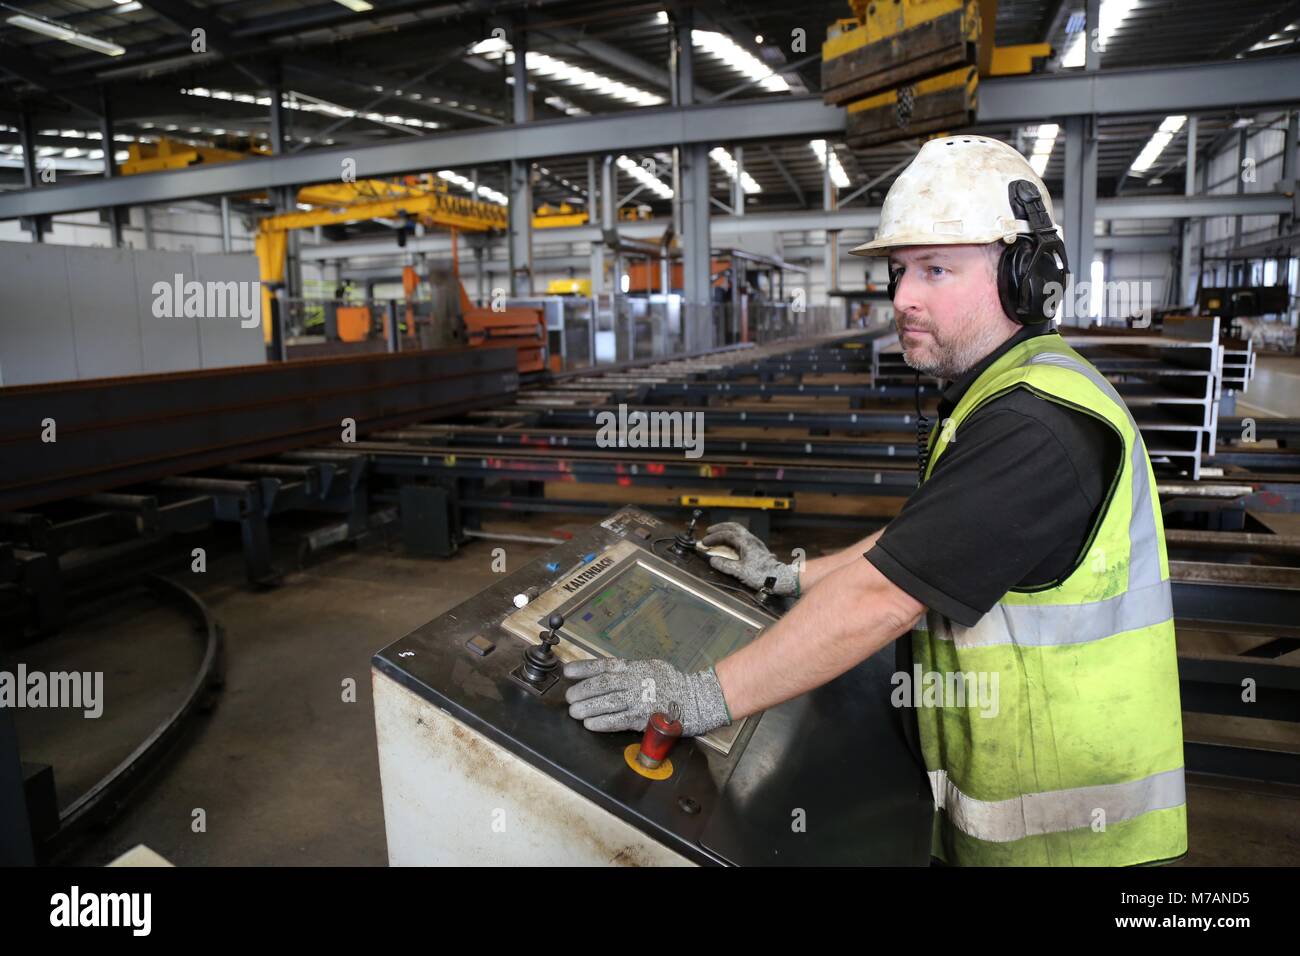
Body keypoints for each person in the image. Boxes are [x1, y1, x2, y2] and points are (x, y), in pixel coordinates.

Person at [563, 135, 1186, 866]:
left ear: (1025, 277)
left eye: (935, 269)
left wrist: (696, 699)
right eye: (899, 272)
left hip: (1075, 841)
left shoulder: (1034, 425)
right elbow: (921, 544)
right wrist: (789, 577)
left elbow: (883, 598)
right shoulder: (1002, 393)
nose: (903, 298)